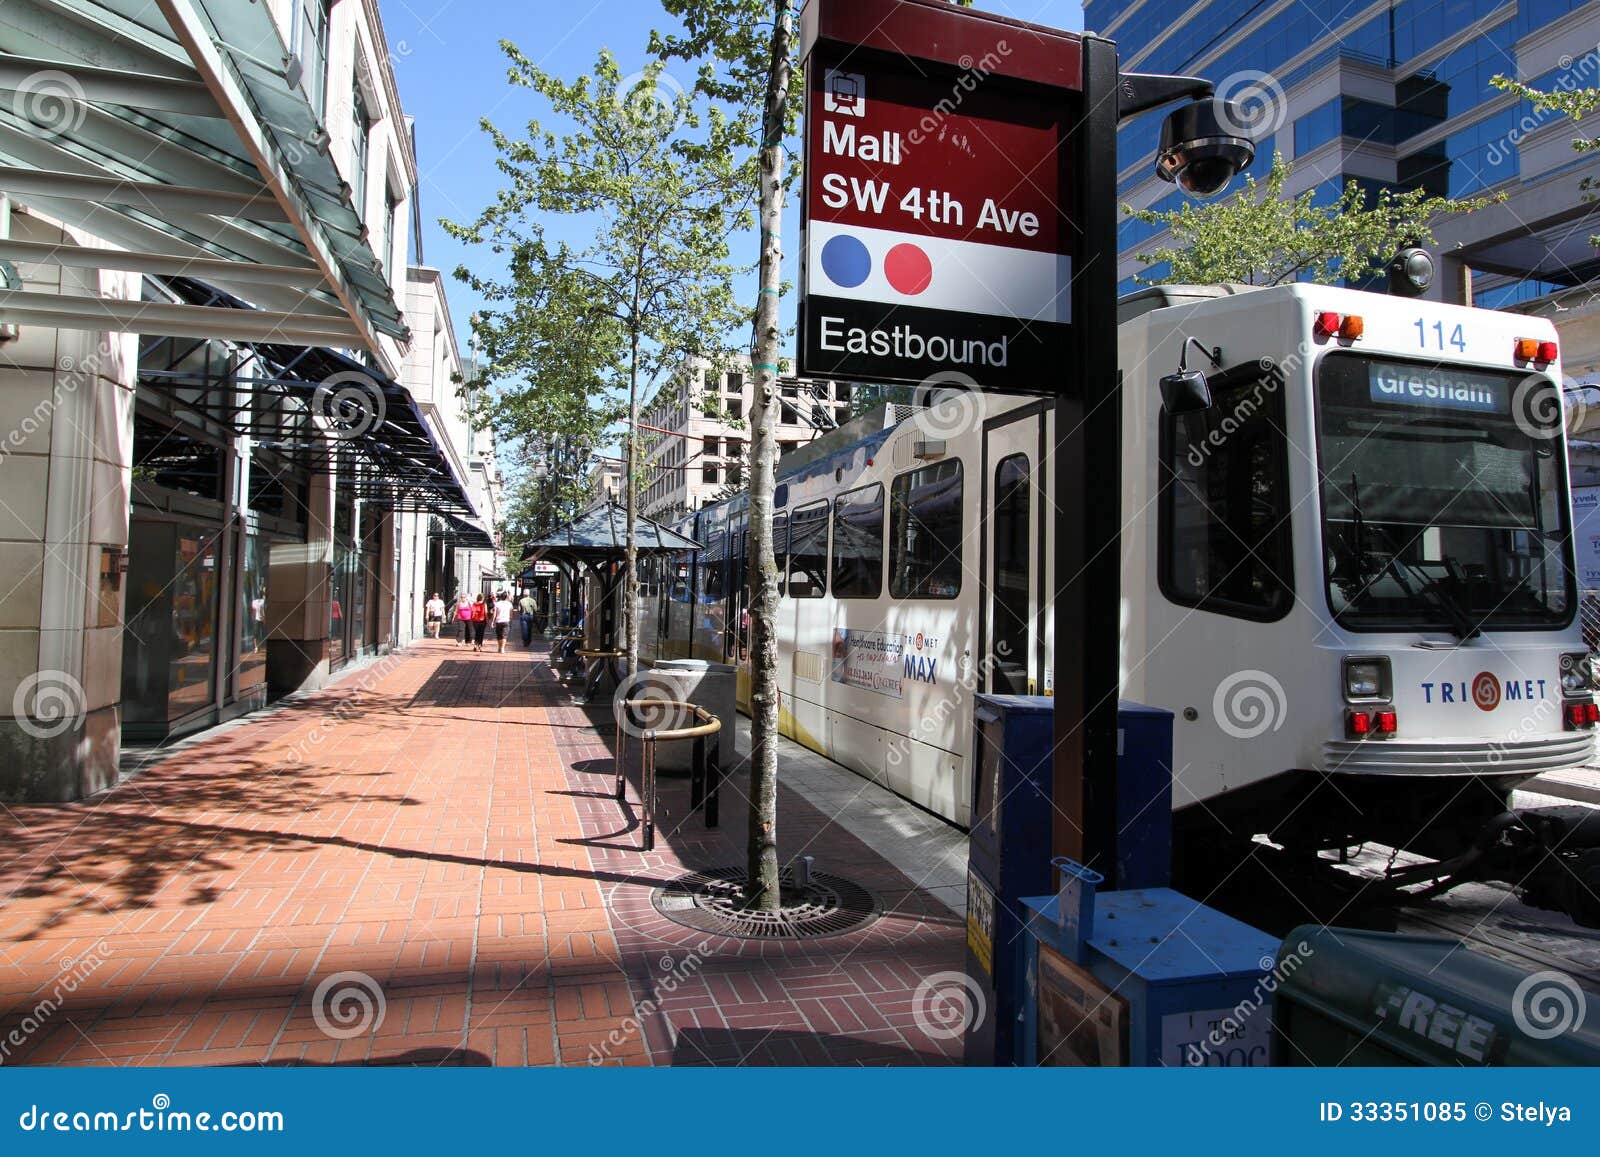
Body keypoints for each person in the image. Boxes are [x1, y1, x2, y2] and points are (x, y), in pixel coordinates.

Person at [493, 589, 515, 653]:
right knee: (504, 635)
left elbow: (495, 613)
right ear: (506, 597)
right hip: (506, 621)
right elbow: (511, 614)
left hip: (498, 621)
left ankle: (499, 647)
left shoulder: (497, 604)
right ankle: (502, 648)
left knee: (499, 635)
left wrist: (493, 621)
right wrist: (511, 620)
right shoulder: (509, 604)